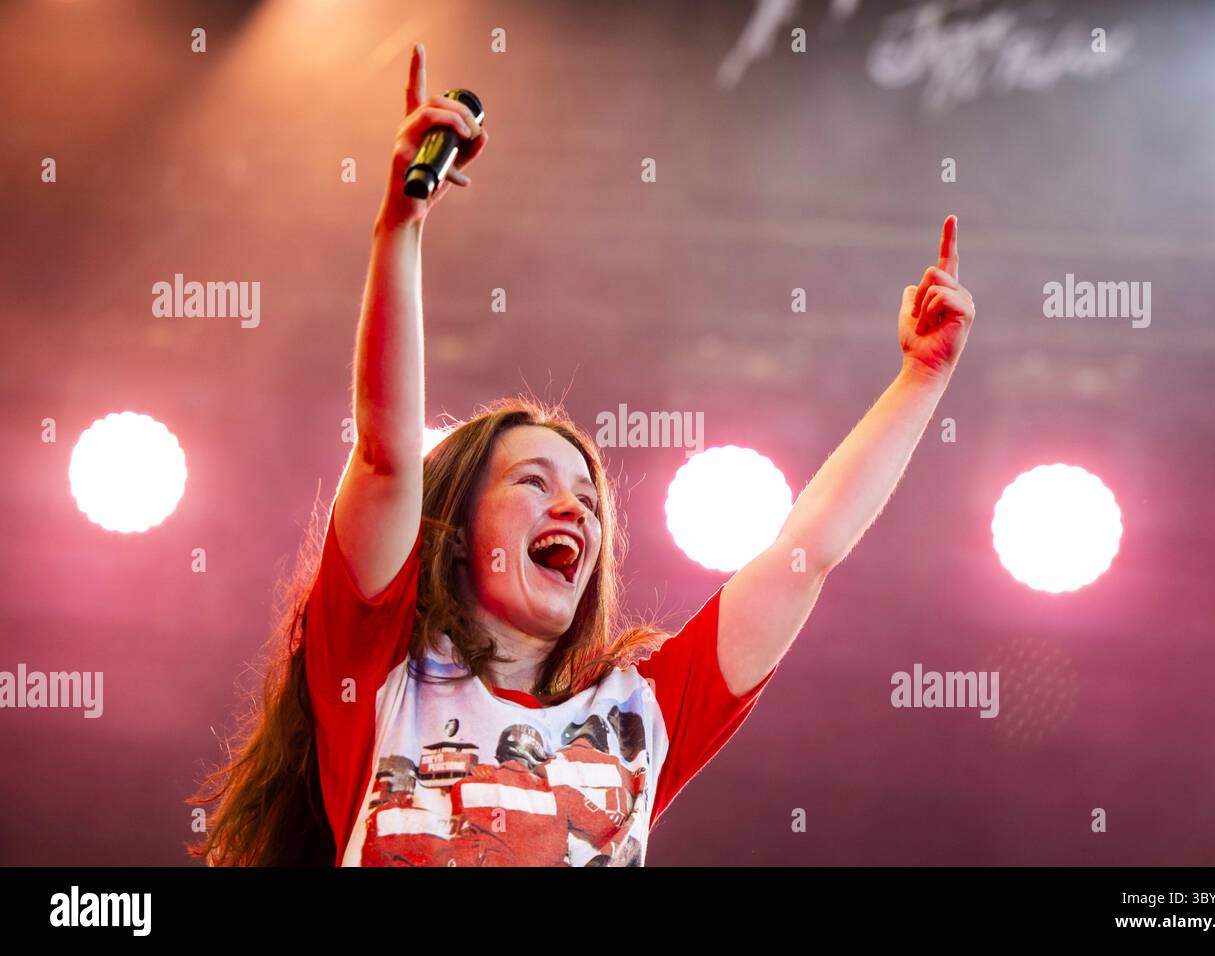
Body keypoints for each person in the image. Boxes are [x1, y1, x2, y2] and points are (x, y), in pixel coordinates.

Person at [188, 43, 975, 867]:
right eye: (534, 481)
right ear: (452, 531)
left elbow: (805, 555)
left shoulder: (644, 712)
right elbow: (387, 456)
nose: (574, 508)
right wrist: (401, 225)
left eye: (590, 500)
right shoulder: (381, 674)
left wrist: (921, 379)